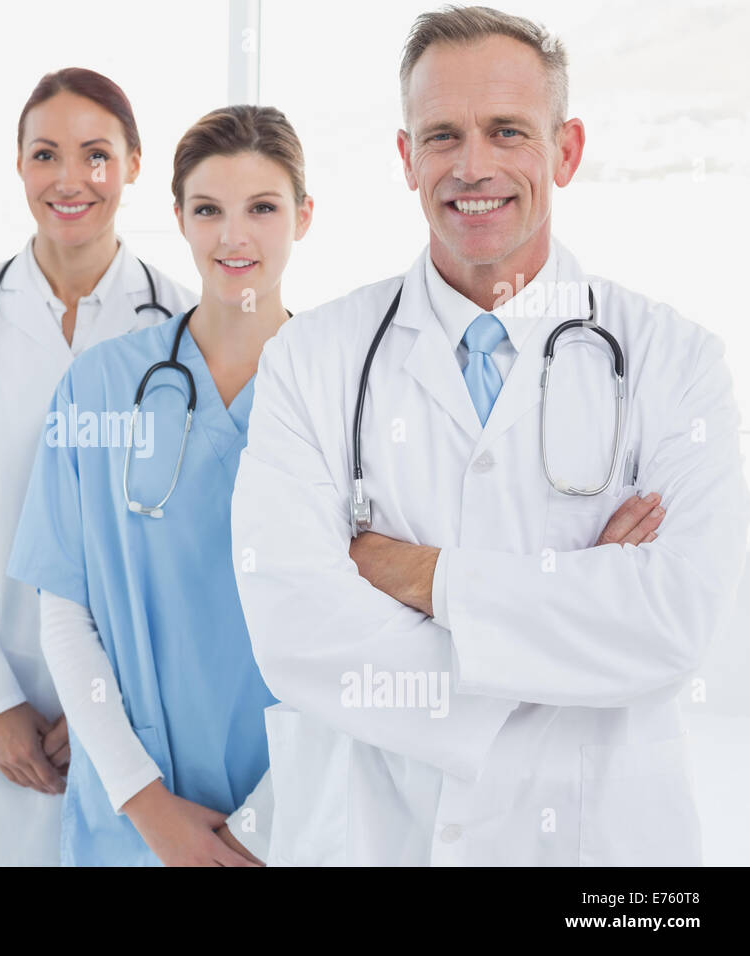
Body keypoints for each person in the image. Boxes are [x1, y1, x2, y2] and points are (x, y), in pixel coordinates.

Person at [232, 5, 749, 866]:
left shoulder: (678, 361)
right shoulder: (312, 361)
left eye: (508, 130)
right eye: (442, 135)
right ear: (405, 158)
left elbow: (673, 623)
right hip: (376, 837)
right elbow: (292, 626)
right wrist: (572, 627)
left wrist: (416, 574)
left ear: (567, 150)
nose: (474, 167)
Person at [0, 68, 194, 867]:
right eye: (45, 154)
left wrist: (103, 705)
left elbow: (190, 549)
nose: (70, 179)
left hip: (141, 718)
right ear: (19, 166)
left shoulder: (186, 328)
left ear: (131, 165)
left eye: (96, 155)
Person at [7, 105, 313, 866]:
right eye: (208, 209)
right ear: (178, 217)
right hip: (133, 820)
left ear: (303, 217)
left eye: (263, 208)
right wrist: (148, 809)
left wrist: (260, 827)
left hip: (299, 812)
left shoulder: (339, 395)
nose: (233, 237)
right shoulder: (99, 389)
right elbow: (65, 617)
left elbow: (368, 630)